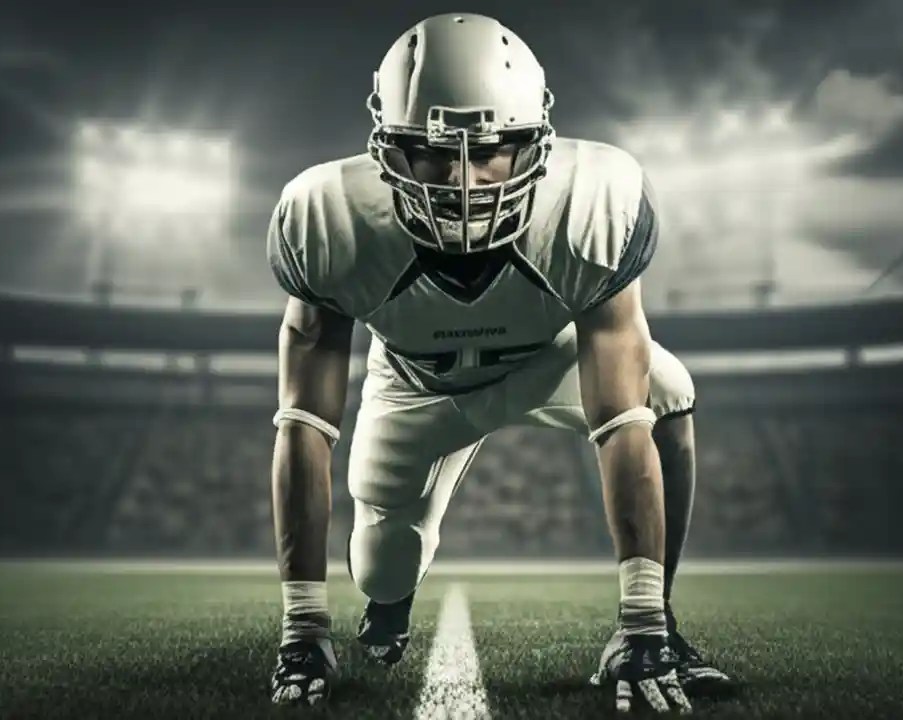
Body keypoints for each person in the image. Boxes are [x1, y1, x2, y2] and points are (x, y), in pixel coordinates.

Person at [266, 13, 733, 713]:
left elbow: (623, 417)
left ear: (535, 144)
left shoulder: (595, 203)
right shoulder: (327, 218)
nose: (463, 180)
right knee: (379, 565)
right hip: (415, 388)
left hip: (551, 359)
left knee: (666, 392)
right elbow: (303, 423)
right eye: (430, 151)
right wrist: (302, 626)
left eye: (492, 148)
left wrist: (641, 624)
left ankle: (654, 624)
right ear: (387, 146)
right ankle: (391, 603)